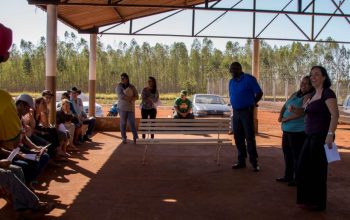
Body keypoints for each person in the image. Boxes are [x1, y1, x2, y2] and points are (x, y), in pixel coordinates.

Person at [290, 66, 339, 211]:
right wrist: (294, 109)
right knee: (303, 168)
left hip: (322, 137)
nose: (313, 77)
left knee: (318, 170)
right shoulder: (312, 95)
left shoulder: (327, 93)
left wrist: (330, 135)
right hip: (310, 136)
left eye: (317, 74)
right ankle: (307, 199)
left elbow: (335, 115)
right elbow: (305, 112)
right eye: (311, 75)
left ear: (324, 77)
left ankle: (318, 203)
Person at [276, 76, 313, 186]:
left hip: (298, 131)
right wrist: (280, 116)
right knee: (287, 154)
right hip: (287, 131)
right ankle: (288, 176)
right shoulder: (295, 94)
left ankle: (298, 178)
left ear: (311, 86)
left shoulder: (309, 96)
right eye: (302, 82)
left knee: (297, 156)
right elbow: (285, 106)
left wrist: (286, 118)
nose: (303, 85)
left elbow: (303, 112)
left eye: (307, 83)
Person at [228, 62, 263, 172]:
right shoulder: (231, 81)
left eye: (234, 69)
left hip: (246, 112)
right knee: (238, 137)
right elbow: (232, 95)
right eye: (231, 69)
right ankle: (241, 161)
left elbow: (259, 93)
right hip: (236, 112)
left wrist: (253, 102)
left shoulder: (249, 79)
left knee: (249, 137)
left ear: (239, 69)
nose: (232, 71)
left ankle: (254, 162)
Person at [116, 73, 139, 144]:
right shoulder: (119, 86)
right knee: (123, 123)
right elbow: (121, 96)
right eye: (121, 78)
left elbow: (137, 96)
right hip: (122, 108)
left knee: (132, 122)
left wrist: (133, 98)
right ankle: (124, 138)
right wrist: (130, 99)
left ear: (127, 79)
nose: (122, 80)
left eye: (123, 78)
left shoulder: (132, 86)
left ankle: (135, 137)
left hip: (130, 108)